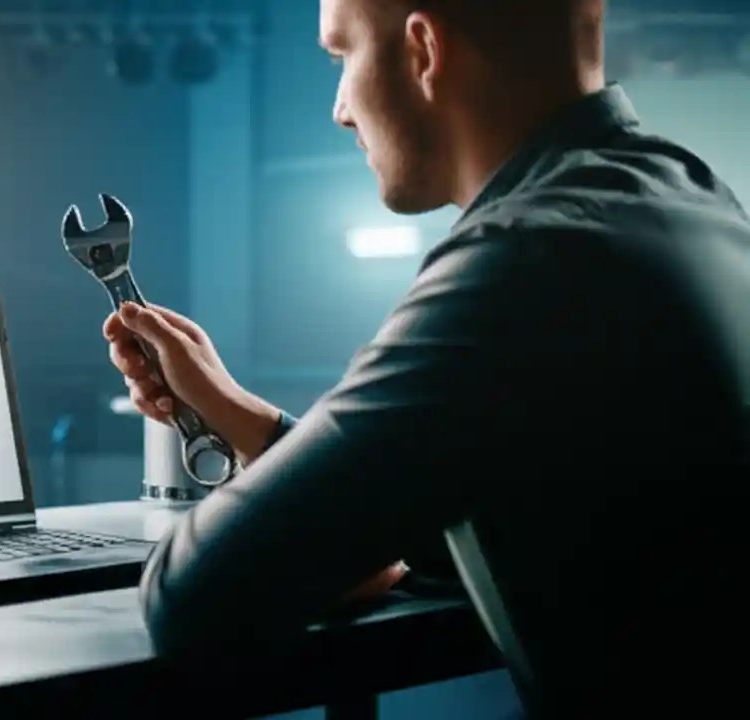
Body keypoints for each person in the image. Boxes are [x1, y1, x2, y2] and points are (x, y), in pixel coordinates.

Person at [102, 0, 750, 716]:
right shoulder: (686, 198)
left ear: (422, 51)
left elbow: (192, 597)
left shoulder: (519, 264)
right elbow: (463, 517)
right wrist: (237, 416)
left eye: (342, 56)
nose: (341, 109)